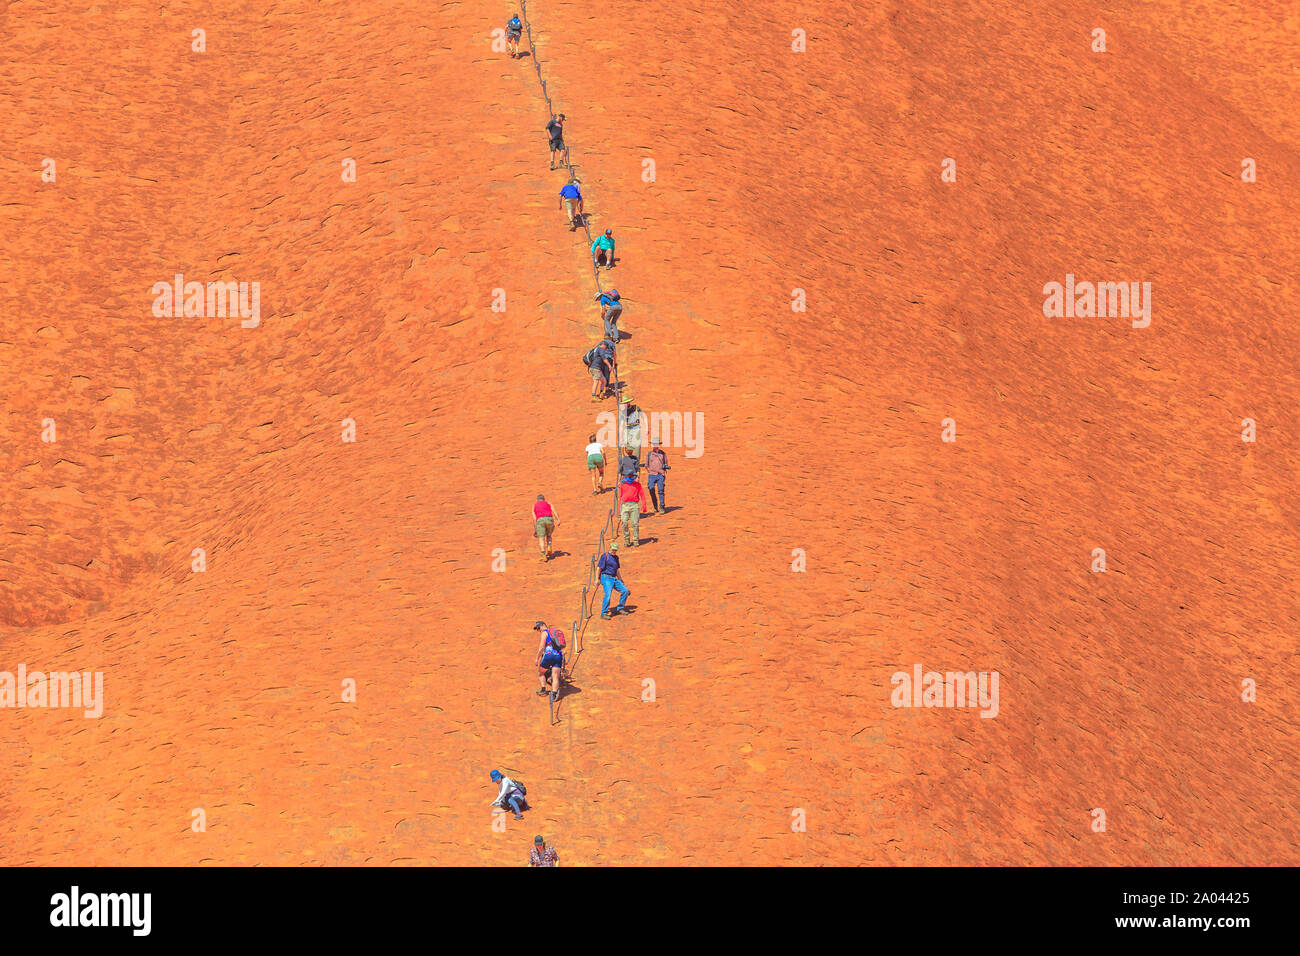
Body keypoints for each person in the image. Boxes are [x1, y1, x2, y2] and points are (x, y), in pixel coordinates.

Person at [597, 542, 629, 618]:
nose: (614, 551)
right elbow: (599, 568)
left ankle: (620, 608)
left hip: (614, 578)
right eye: (613, 549)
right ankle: (603, 613)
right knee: (608, 595)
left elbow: (617, 570)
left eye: (615, 550)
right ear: (610, 548)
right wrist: (597, 579)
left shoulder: (616, 558)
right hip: (606, 578)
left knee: (625, 591)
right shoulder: (605, 556)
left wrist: (620, 579)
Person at [533, 621, 563, 699]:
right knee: (555, 676)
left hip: (549, 654)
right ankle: (554, 695)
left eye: (538, 628)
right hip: (559, 654)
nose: (538, 630)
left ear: (543, 625)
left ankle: (543, 690)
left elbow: (542, 647)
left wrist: (537, 658)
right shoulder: (554, 632)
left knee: (540, 672)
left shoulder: (545, 633)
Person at [617, 474, 649, 548]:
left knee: (635, 523)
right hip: (625, 505)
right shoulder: (623, 485)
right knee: (624, 522)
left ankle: (635, 540)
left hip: (634, 505)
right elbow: (621, 497)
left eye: (631, 477)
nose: (630, 478)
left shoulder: (637, 485)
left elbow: (642, 495)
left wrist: (644, 506)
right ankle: (627, 540)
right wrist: (619, 510)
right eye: (629, 476)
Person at [646, 439, 669, 514]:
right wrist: (650, 471)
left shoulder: (663, 454)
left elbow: (666, 463)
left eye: (657, 444)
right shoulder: (649, 454)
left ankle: (662, 506)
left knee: (661, 490)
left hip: (660, 474)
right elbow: (646, 465)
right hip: (652, 474)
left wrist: (665, 469)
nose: (655, 445)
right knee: (651, 488)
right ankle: (655, 506)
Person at [532, 494, 557, 561]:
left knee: (541, 538)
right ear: (544, 499)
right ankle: (549, 547)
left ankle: (543, 554)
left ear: (537, 500)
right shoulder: (548, 503)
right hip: (549, 519)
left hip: (540, 520)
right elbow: (553, 510)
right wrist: (558, 519)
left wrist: (535, 529)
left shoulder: (534, 506)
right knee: (549, 535)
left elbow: (534, 519)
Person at [621, 398, 642, 462]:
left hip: (636, 428)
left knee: (637, 447)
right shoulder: (623, 412)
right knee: (628, 448)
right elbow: (622, 423)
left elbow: (641, 417)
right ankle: (630, 462)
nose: (626, 404)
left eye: (627, 402)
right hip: (628, 429)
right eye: (624, 403)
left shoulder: (636, 408)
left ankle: (636, 463)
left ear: (629, 402)